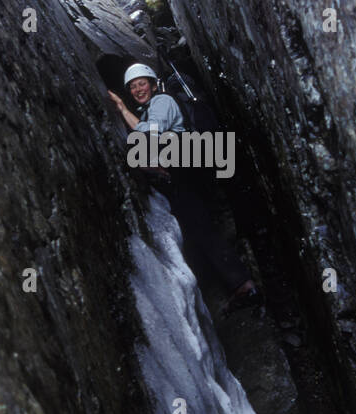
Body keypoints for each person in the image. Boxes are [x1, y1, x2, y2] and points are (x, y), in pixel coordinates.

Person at [108, 63, 258, 311]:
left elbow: (151, 135)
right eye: (133, 87)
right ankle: (236, 285)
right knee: (196, 230)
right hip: (183, 170)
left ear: (154, 85)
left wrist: (122, 109)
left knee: (201, 228)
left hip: (186, 171)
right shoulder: (148, 111)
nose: (138, 89)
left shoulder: (161, 103)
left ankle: (243, 284)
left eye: (142, 83)